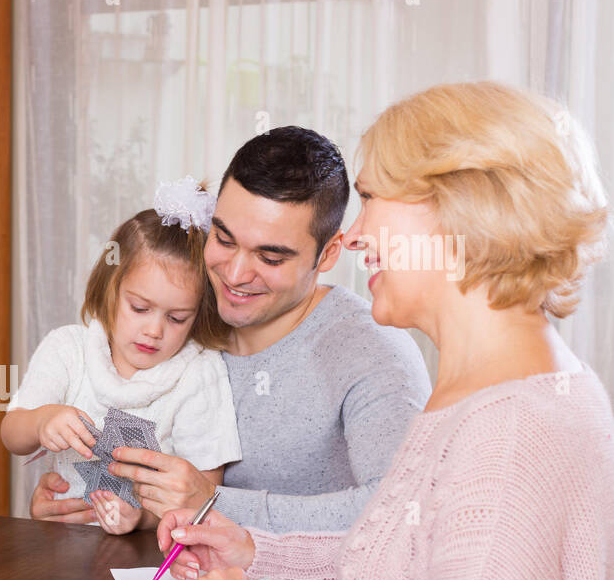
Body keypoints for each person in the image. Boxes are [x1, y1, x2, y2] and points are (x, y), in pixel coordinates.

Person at [157, 82, 612, 580]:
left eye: (373, 200)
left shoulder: (513, 436)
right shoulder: (499, 389)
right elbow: (428, 571)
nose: (357, 233)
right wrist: (257, 552)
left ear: (458, 215)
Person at [31, 127, 431, 534]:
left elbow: (398, 508)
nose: (235, 275)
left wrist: (212, 503)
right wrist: (75, 500)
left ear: (327, 254)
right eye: (223, 239)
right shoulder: (178, 316)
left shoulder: (373, 351)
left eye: (270, 257)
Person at [3, 181, 242, 533]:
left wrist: (142, 518)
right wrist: (41, 421)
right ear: (109, 287)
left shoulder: (199, 373)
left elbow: (204, 494)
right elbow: (11, 433)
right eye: (140, 308)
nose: (154, 330)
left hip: (148, 557)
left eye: (176, 318)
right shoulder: (68, 349)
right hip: (58, 546)